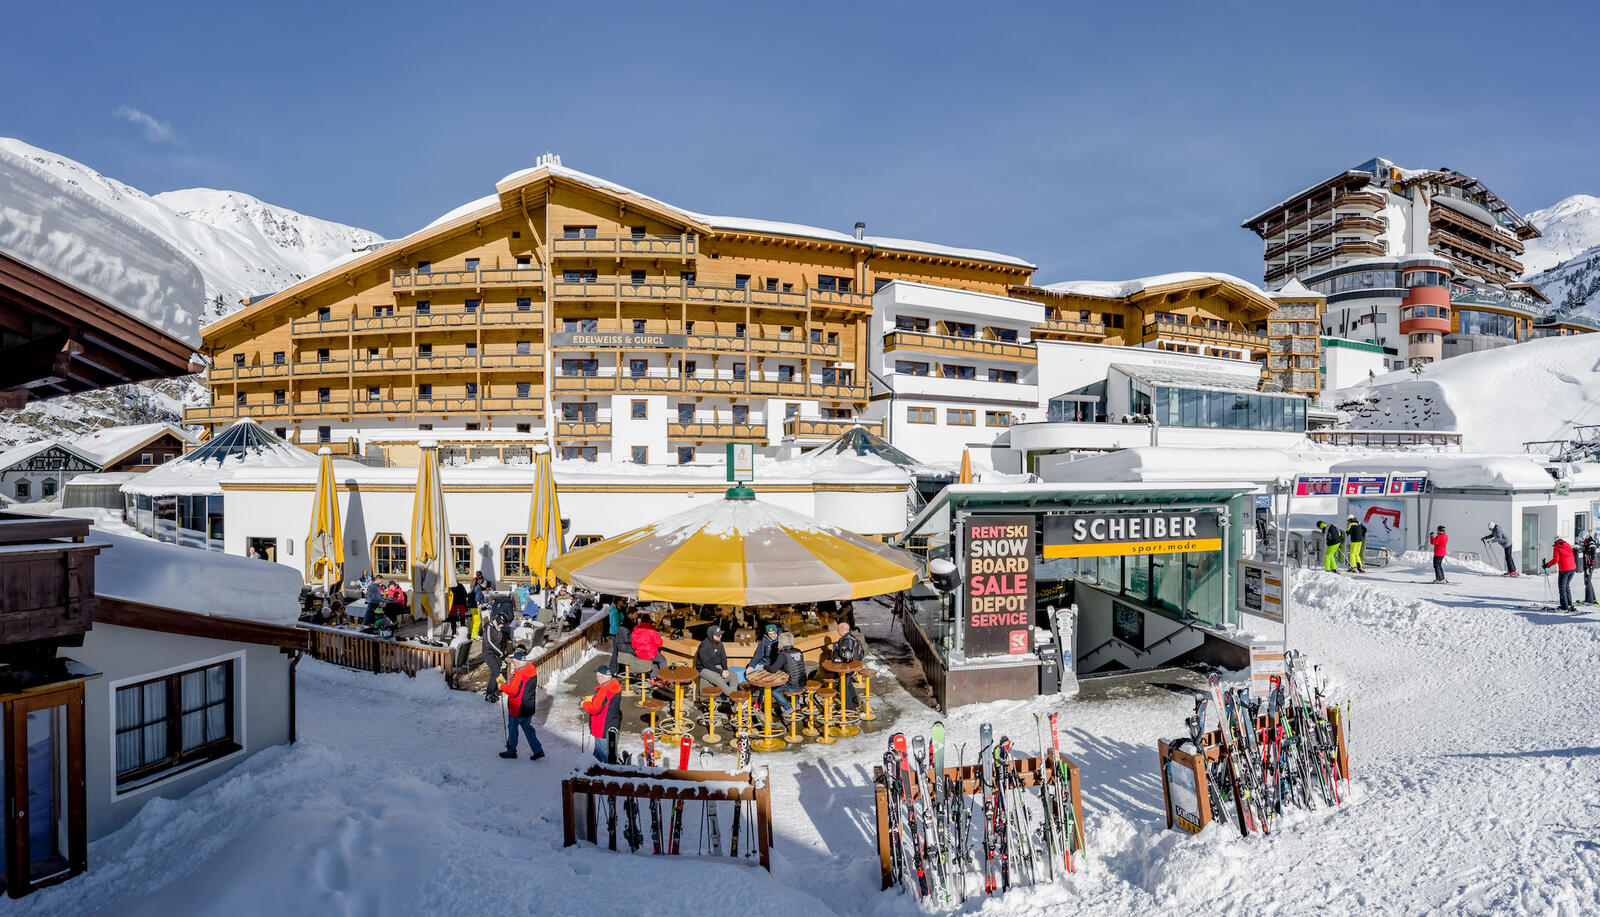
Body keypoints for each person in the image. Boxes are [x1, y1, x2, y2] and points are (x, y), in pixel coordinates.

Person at [496, 651, 544, 760]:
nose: (512, 662)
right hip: (528, 706)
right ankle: (538, 750)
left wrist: (502, 687)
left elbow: (513, 692)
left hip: (517, 708)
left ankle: (511, 751)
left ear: (517, 662)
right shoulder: (531, 670)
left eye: (513, 661)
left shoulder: (519, 675)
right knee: (527, 728)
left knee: (513, 729)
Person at [581, 664, 623, 762]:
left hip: (601, 727)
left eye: (597, 676)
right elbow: (605, 701)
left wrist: (584, 704)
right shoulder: (614, 685)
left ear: (601, 677)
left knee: (604, 756)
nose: (597, 678)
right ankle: (595, 770)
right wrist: (593, 698)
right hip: (611, 723)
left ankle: (606, 774)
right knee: (600, 753)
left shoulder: (603, 691)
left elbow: (595, 709)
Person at [831, 620, 864, 711]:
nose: (837, 631)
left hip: (847, 668)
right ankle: (855, 704)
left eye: (838, 629)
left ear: (842, 630)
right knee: (848, 685)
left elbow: (847, 657)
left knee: (843, 687)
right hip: (852, 666)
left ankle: (849, 709)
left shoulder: (846, 640)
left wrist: (838, 660)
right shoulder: (851, 637)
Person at [695, 625, 738, 694]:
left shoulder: (719, 643)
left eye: (720, 634)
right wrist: (720, 672)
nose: (720, 636)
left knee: (734, 675)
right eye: (717, 635)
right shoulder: (703, 646)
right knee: (718, 679)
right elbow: (706, 664)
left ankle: (733, 698)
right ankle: (733, 696)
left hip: (716, 666)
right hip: (703, 668)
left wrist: (725, 669)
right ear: (711, 635)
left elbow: (723, 657)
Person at [483, 605, 512, 702]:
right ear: (499, 622)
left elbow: (501, 642)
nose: (503, 627)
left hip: (497, 653)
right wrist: (500, 652)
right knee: (495, 671)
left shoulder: (500, 629)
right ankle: (489, 693)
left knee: (497, 671)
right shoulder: (489, 627)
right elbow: (489, 642)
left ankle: (496, 689)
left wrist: (503, 652)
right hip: (488, 652)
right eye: (502, 624)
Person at [773, 632, 806, 716]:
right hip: (803, 683)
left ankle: (788, 707)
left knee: (773, 691)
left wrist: (765, 667)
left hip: (793, 686)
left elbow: (773, 669)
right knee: (793, 678)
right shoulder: (798, 651)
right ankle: (797, 704)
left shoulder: (783, 655)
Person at [1543, 536, 1578, 611]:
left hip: (1564, 570)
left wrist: (1547, 565)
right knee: (1566, 586)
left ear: (1555, 541)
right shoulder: (1568, 545)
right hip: (1572, 569)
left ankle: (1564, 607)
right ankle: (1569, 604)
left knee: (1562, 588)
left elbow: (1556, 559)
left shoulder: (1557, 547)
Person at [630, 613, 665, 679]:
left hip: (639, 654)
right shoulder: (651, 630)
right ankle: (665, 679)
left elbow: (633, 645)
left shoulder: (635, 630)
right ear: (649, 621)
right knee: (662, 660)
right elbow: (659, 644)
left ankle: (653, 677)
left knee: (654, 660)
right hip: (649, 654)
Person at [1583, 531, 1599, 605]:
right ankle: (1590, 598)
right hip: (1587, 564)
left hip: (1590, 564)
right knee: (1587, 581)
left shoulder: (1591, 543)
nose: (1582, 540)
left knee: (1588, 581)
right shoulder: (1586, 542)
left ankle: (1590, 600)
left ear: (1586, 536)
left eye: (1583, 538)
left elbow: (1593, 554)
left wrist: (1590, 565)